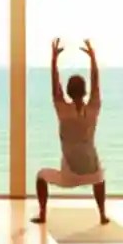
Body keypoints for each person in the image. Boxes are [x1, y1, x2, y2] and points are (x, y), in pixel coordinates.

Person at [31, 38, 108, 225]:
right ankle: (102, 215)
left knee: (41, 176)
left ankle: (42, 214)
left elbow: (55, 88)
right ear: (85, 91)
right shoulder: (93, 109)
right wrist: (93, 58)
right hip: (93, 172)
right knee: (100, 176)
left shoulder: (63, 110)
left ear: (68, 91)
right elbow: (96, 84)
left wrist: (54, 60)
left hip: (70, 175)